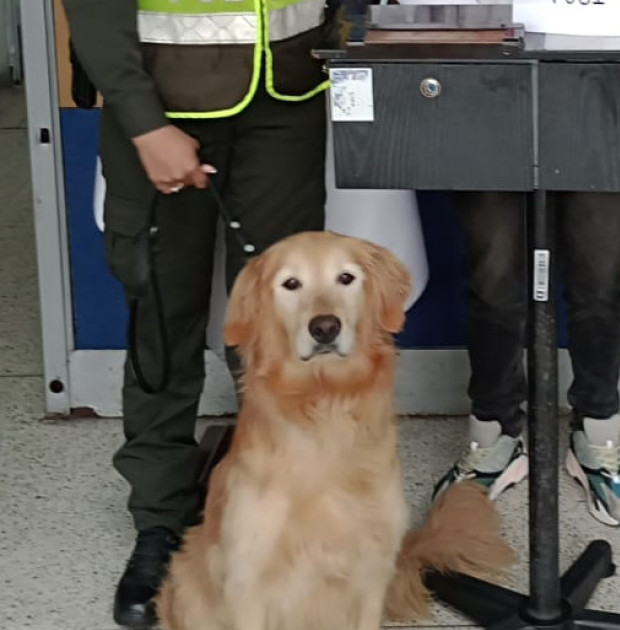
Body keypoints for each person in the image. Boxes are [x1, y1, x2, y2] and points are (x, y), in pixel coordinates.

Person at [61, 0, 333, 625]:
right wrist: (143, 121)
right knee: (163, 314)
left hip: (288, 93)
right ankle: (161, 519)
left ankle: (280, 519)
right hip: (163, 98)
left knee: (284, 324)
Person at [432, 191, 620, 527]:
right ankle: (494, 437)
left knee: (599, 282)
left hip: (595, 155)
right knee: (492, 281)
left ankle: (597, 434)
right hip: (491, 155)